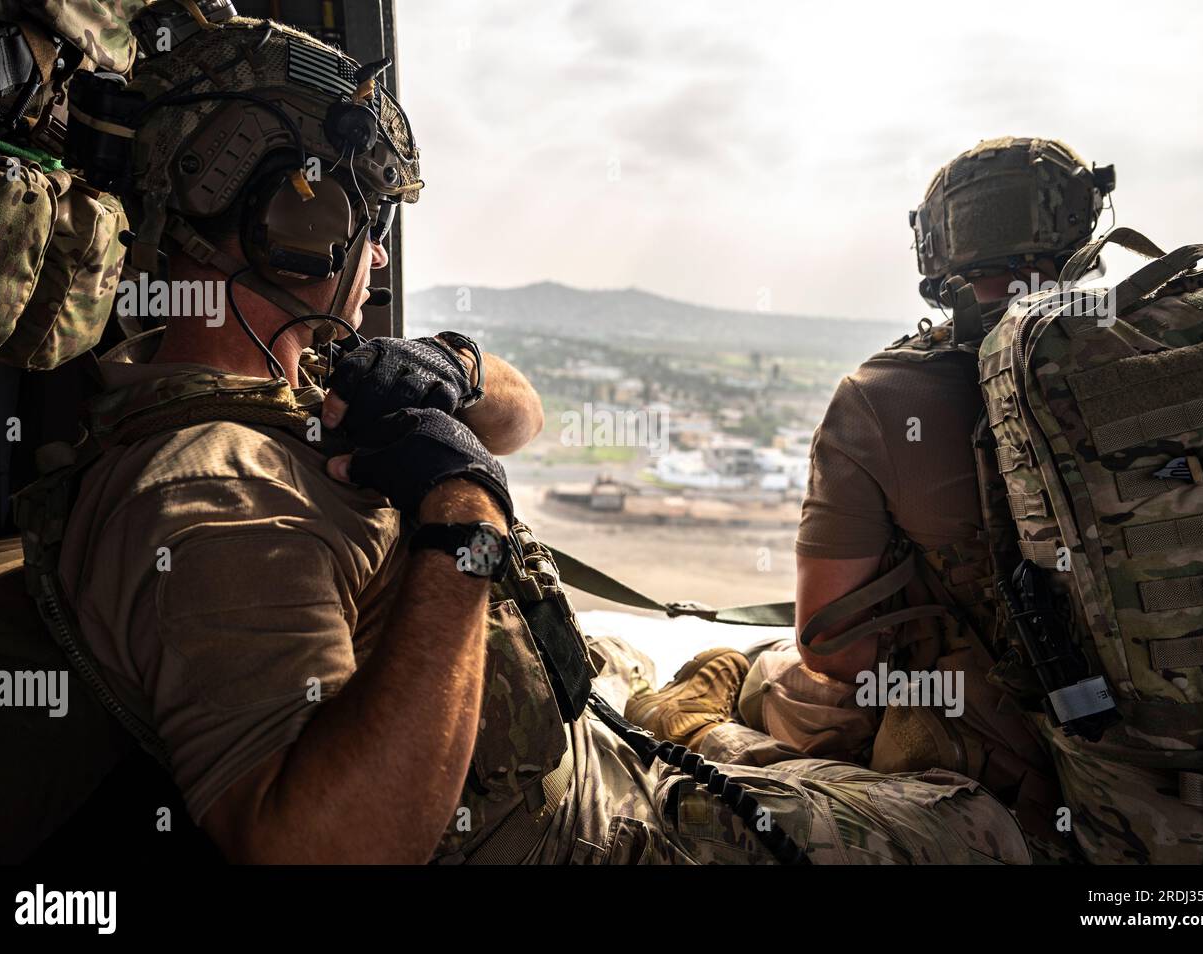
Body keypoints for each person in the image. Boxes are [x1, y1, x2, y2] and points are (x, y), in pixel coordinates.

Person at [50, 10, 1032, 864]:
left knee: (825, 695)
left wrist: (454, 372)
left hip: (571, 732)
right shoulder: (216, 491)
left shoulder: (294, 384)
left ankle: (702, 718)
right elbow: (323, 846)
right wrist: (461, 519)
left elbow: (518, 415)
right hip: (591, 834)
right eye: (365, 215)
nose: (379, 252)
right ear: (299, 218)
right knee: (981, 824)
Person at [628, 139, 1115, 857]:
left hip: (1035, 801)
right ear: (1085, 230)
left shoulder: (884, 398)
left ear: (939, 248)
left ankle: (695, 726)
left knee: (753, 748)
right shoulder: (1185, 361)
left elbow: (834, 645)